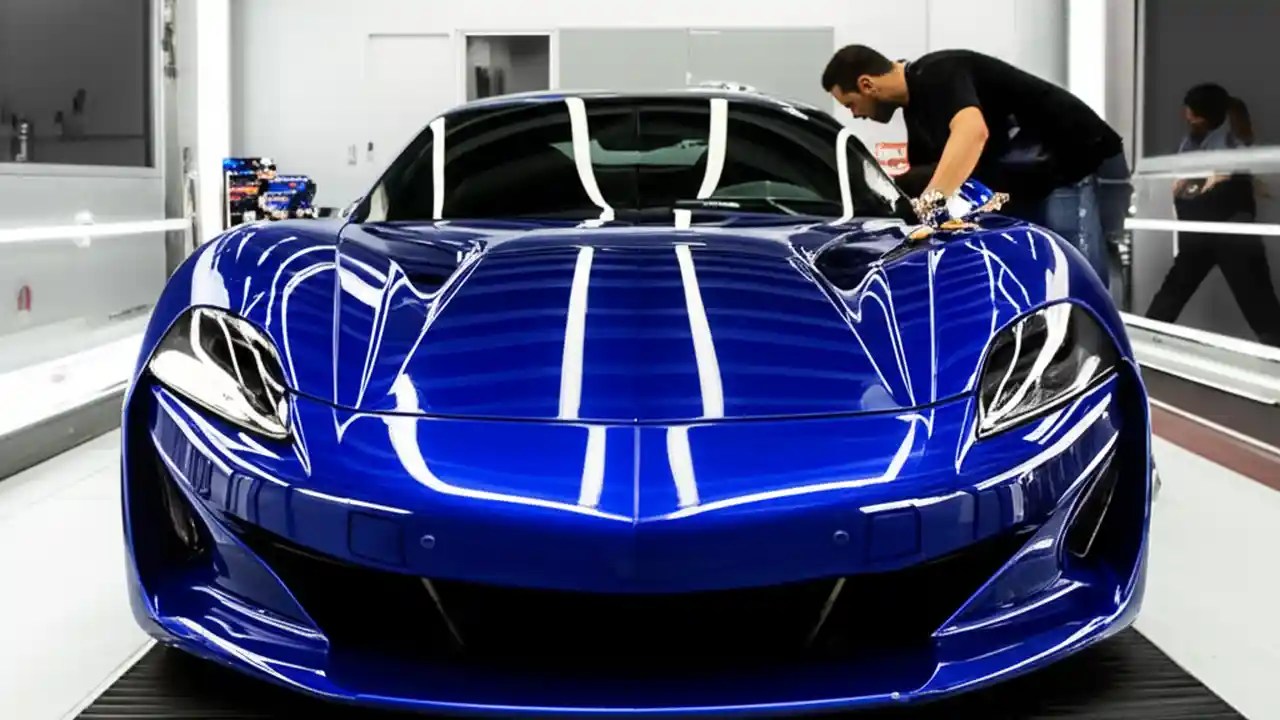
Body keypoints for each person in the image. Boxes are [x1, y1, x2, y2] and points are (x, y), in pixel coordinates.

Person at [820, 45, 1130, 288]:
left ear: (867, 84)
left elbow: (972, 133)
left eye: (851, 104)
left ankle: (1104, 355)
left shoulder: (938, 73)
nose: (855, 115)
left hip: (1079, 161)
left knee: (1075, 273)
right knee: (1039, 270)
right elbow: (933, 174)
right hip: (1036, 179)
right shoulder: (916, 114)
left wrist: (928, 205)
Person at [1144, 86, 1280, 346]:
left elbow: (1231, 173)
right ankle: (1142, 346)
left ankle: (1143, 343)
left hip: (1230, 233)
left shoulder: (1230, 141)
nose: (1185, 115)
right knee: (1173, 293)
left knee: (1259, 303)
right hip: (1200, 232)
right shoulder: (1192, 142)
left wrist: (1210, 180)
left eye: (1190, 112)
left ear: (1200, 117)